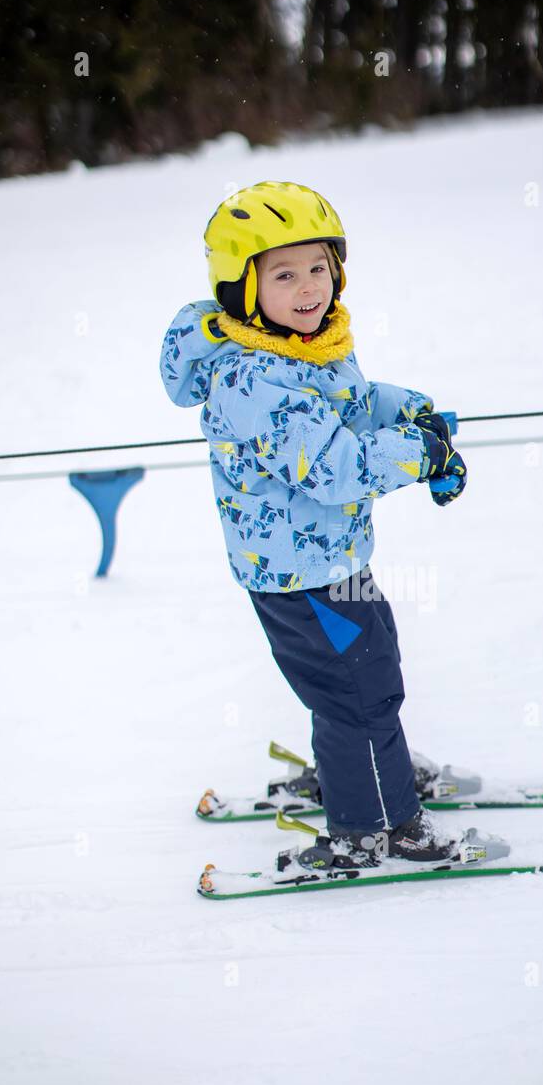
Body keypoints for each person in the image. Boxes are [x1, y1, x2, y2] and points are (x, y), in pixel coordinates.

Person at [159, 180, 467, 869]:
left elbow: (351, 403)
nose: (308, 289)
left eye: (318, 268)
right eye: (284, 273)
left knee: (368, 670)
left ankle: (361, 768)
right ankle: (372, 821)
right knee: (359, 690)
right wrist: (419, 456)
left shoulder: (307, 345)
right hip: (300, 580)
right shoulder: (251, 379)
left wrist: (410, 413)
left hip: (333, 563)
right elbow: (333, 467)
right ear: (243, 288)